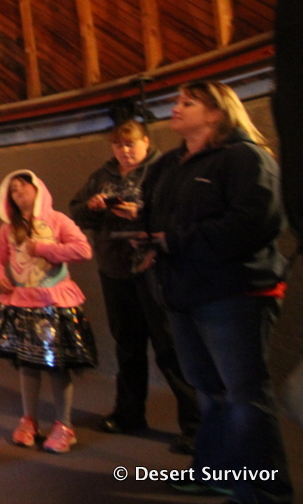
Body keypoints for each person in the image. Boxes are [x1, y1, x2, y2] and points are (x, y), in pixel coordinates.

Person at [128, 81, 293, 504]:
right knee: (209, 390)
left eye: (188, 102)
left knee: (244, 394)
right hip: (184, 293)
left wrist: (173, 240)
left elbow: (255, 223)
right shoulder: (168, 165)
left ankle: (262, 493)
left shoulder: (246, 158)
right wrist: (146, 237)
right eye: (178, 101)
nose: (175, 107)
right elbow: (153, 213)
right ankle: (215, 471)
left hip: (234, 293)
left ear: (217, 113)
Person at [69, 120, 199, 454]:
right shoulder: (103, 175)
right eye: (117, 145)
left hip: (155, 270)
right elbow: (76, 213)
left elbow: (184, 215)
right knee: (127, 345)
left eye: (130, 144)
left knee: (170, 348)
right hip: (114, 270)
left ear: (145, 142)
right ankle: (128, 414)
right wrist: (93, 208)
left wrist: (141, 214)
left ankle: (196, 426)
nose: (124, 151)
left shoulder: (165, 169)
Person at [0, 170, 96, 454]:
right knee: (27, 364)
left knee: (57, 366)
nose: (17, 192)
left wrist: (46, 248)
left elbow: (83, 250)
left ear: (38, 189)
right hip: (23, 304)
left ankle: (64, 425)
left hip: (54, 304)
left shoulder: (58, 220)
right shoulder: (8, 228)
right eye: (12, 190)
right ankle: (29, 420)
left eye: (22, 186)